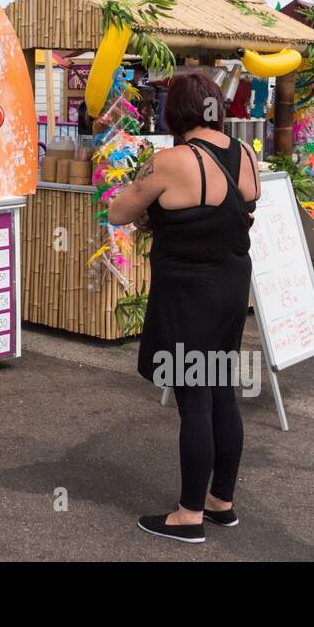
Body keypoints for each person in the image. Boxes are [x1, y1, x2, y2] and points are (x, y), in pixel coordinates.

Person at [107, 70, 259, 544]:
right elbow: (244, 209)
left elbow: (119, 211)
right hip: (233, 287)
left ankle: (189, 515)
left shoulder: (171, 159)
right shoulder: (247, 155)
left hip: (189, 291)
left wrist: (155, 209)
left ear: (176, 112)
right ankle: (221, 501)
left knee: (194, 398)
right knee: (219, 389)